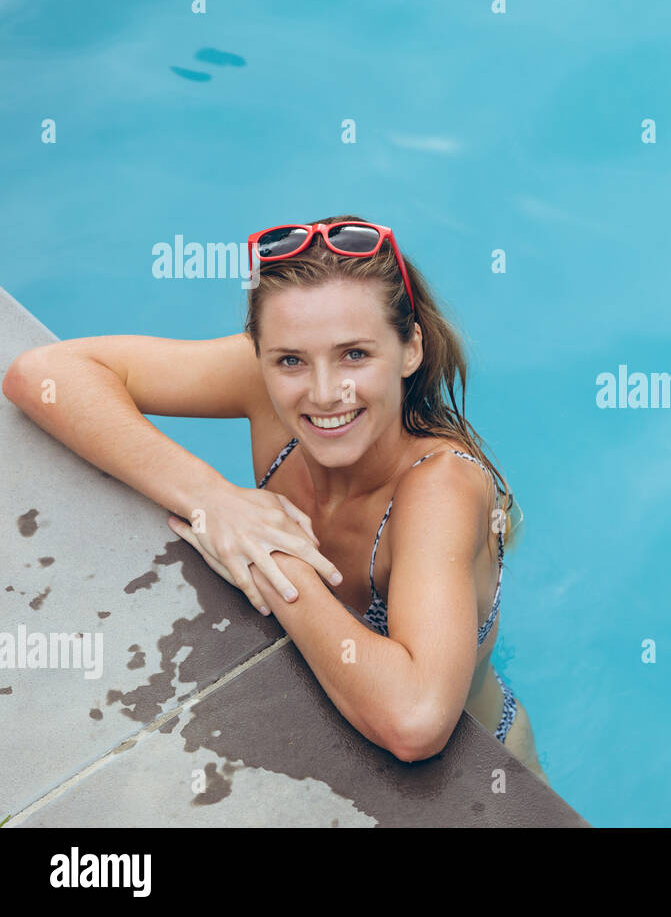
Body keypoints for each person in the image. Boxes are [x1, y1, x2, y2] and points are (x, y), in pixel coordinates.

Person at [2, 214, 548, 784]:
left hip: (482, 775)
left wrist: (272, 558)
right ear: (259, 354)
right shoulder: (264, 382)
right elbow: (43, 374)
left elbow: (415, 721)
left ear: (411, 348)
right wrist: (213, 499)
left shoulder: (440, 488)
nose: (322, 391)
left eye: (355, 355)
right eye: (290, 360)